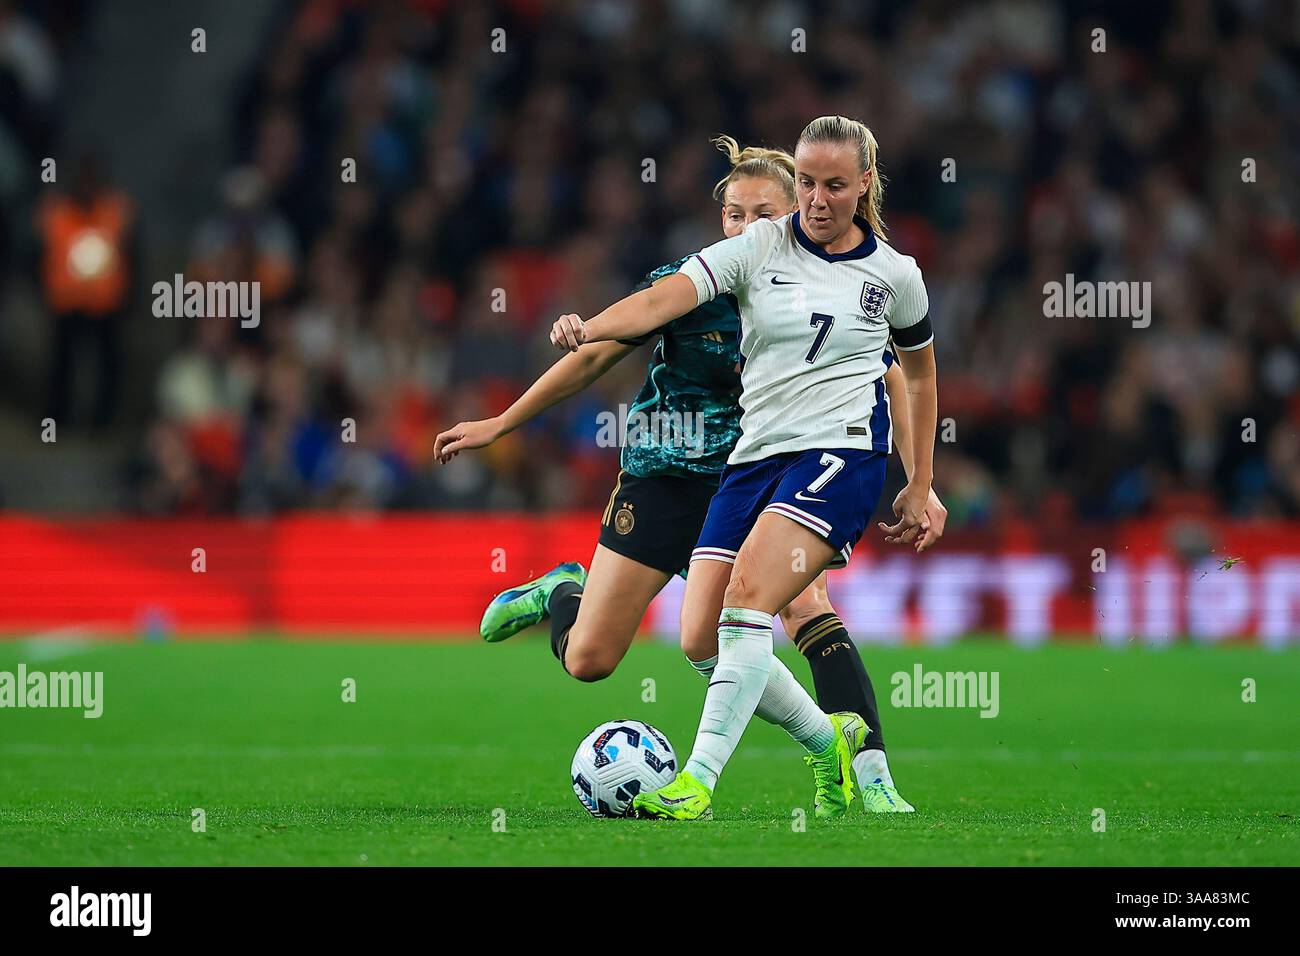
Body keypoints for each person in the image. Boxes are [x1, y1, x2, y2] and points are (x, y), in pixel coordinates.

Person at [439, 133, 943, 816]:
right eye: (734, 215)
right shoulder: (707, 276)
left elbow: (891, 372)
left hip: (767, 470)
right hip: (667, 475)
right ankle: (564, 590)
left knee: (801, 607)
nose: (748, 227)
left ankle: (869, 771)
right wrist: (506, 420)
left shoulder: (819, 280)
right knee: (590, 658)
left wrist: (919, 478)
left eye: (763, 212)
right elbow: (605, 350)